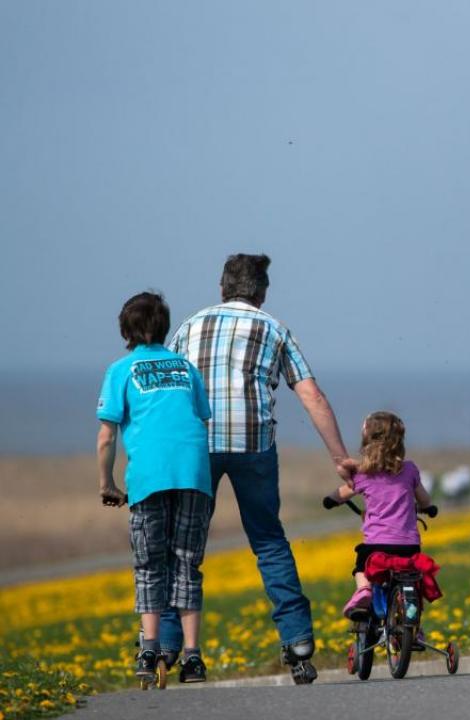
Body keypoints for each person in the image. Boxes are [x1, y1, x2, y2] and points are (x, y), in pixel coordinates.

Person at [161, 254, 356, 684]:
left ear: (222, 287)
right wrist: (341, 458)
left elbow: (167, 392)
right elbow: (313, 397)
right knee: (268, 542)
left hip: (198, 446)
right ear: (262, 292)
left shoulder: (189, 326)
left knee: (184, 548)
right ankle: (298, 642)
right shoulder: (273, 328)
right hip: (254, 446)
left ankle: (171, 646)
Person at [97, 292, 213, 685]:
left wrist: (107, 483)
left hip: (148, 479)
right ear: (164, 327)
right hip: (194, 475)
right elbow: (200, 418)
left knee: (150, 565)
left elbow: (106, 437)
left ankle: (149, 650)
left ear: (125, 330)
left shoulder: (121, 370)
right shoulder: (185, 367)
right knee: (186, 565)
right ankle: (193, 658)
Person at [323, 411, 435, 628]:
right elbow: (424, 499)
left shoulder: (363, 474)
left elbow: (341, 494)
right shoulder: (409, 470)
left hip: (377, 546)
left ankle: (363, 589)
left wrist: (330, 500)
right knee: (412, 582)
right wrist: (428, 508)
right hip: (409, 546)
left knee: (360, 566)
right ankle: (414, 628)